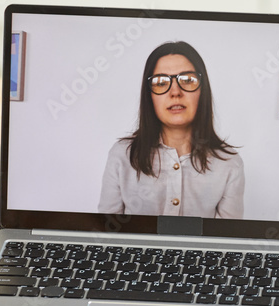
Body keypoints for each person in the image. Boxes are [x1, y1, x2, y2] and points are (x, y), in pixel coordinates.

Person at [98, 41, 244, 218]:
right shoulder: (122, 155)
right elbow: (106, 230)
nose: (175, 92)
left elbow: (225, 234)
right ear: (149, 95)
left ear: (202, 90)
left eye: (187, 80)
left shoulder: (229, 163)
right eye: (161, 82)